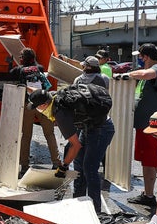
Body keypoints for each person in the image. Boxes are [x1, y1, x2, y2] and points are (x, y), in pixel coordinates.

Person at [28, 81, 115, 213]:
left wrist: (64, 166)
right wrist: (25, 87)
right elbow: (37, 92)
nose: (37, 110)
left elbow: (75, 145)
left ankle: (95, 210)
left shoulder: (60, 114)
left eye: (37, 107)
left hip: (101, 129)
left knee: (89, 168)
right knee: (79, 166)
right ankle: (78, 204)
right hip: (89, 126)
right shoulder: (53, 96)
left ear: (43, 105)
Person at [119, 43, 157, 209]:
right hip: (144, 126)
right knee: (147, 162)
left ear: (146, 57)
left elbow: (145, 74)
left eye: (140, 57)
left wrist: (127, 74)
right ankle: (148, 195)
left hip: (154, 126)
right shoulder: (147, 73)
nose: (139, 59)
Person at [9, 48, 62, 174]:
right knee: (49, 134)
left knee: (26, 136)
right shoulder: (40, 68)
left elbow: (10, 74)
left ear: (24, 59)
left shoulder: (19, 70)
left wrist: (10, 63)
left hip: (29, 105)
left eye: (21, 56)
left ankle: (24, 165)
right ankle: (56, 162)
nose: (20, 58)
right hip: (44, 104)